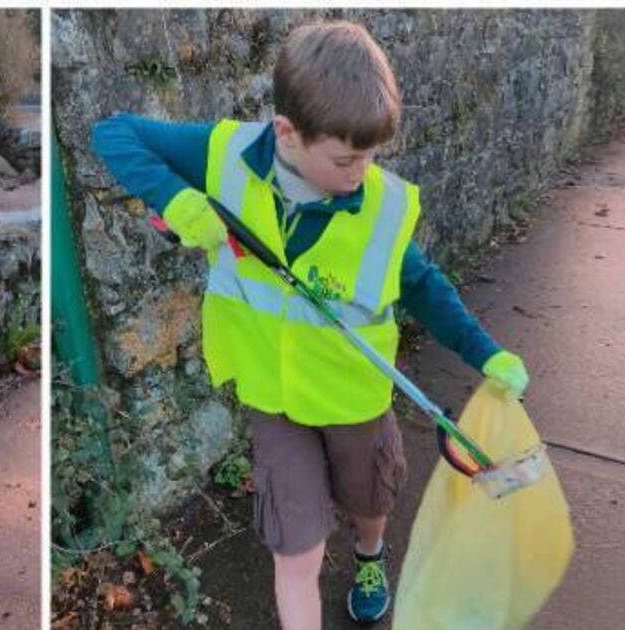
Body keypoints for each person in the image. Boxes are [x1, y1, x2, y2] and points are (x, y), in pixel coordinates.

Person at [91, 20, 529, 629]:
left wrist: (487, 356)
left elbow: (427, 289)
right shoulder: (226, 155)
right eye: (347, 158)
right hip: (274, 401)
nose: (362, 172)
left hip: (354, 397)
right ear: (287, 133)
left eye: (371, 156)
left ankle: (371, 554)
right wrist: (175, 199)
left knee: (367, 499)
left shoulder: (379, 208)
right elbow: (112, 133)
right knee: (294, 548)